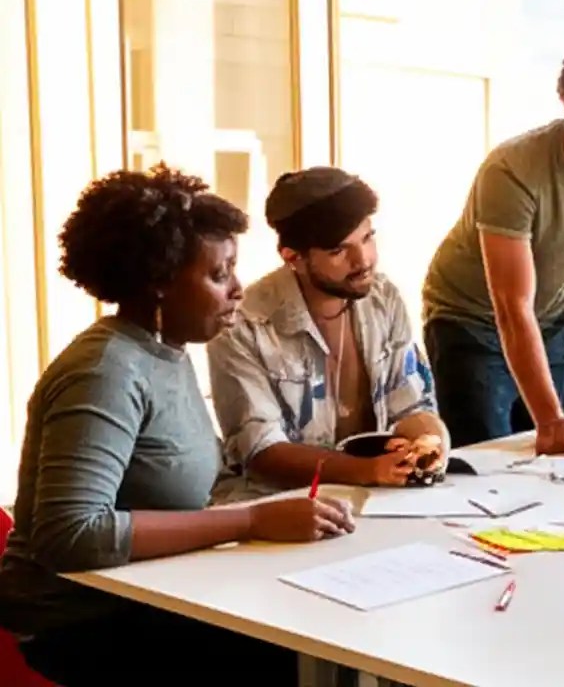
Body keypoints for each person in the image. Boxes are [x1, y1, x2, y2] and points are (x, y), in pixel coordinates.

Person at [0, 165, 355, 686]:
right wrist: (253, 523)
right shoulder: (106, 372)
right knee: (295, 659)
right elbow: (70, 535)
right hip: (76, 626)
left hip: (148, 594)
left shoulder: (167, 352)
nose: (237, 289)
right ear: (160, 283)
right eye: (218, 275)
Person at [422, 36, 564, 454]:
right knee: (488, 463)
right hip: (469, 321)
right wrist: (548, 418)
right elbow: (511, 306)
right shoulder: (511, 170)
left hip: (547, 320)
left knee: (558, 457)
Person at [209, 166, 448, 503]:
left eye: (367, 238)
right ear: (294, 257)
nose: (363, 260)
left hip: (383, 499)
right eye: (339, 251)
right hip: (282, 504)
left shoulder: (383, 297)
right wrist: (367, 471)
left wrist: (429, 445)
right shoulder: (244, 324)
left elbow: (414, 404)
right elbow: (262, 449)